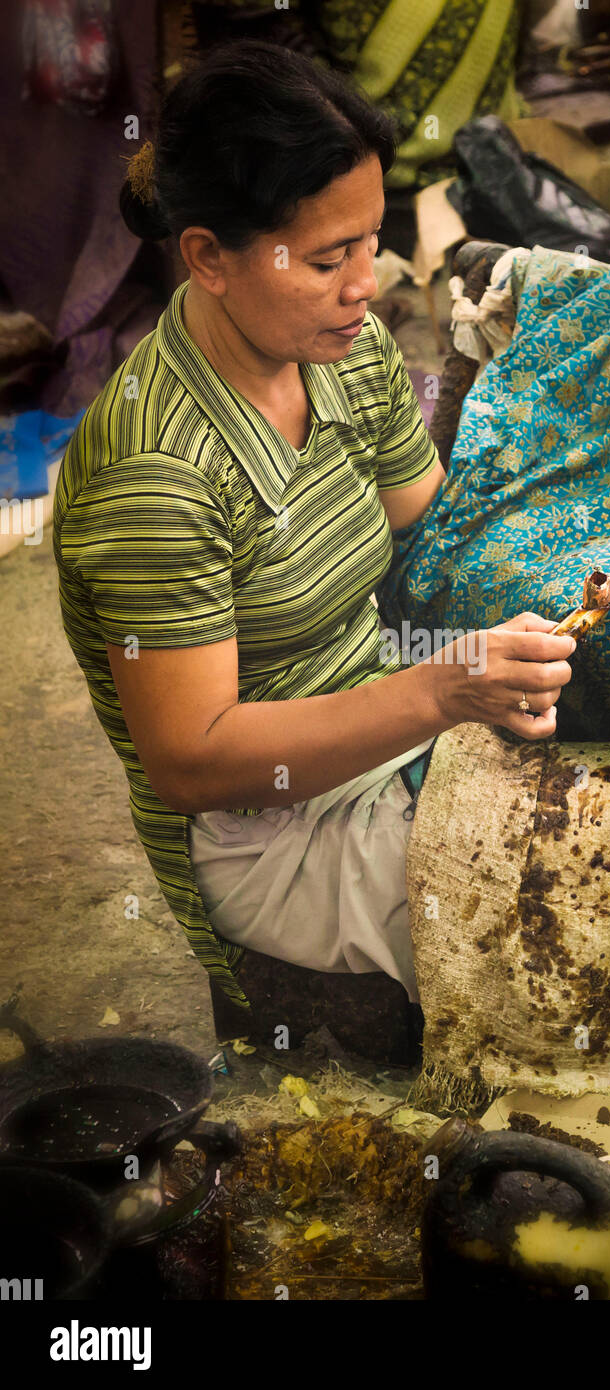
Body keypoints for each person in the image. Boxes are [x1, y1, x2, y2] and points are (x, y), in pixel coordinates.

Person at [53, 40, 576, 1036]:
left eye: (367, 244)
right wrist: (435, 691)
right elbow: (193, 761)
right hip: (267, 837)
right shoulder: (155, 471)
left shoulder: (339, 346)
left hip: (387, 723)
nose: (362, 283)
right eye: (327, 259)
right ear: (207, 257)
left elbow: (431, 522)